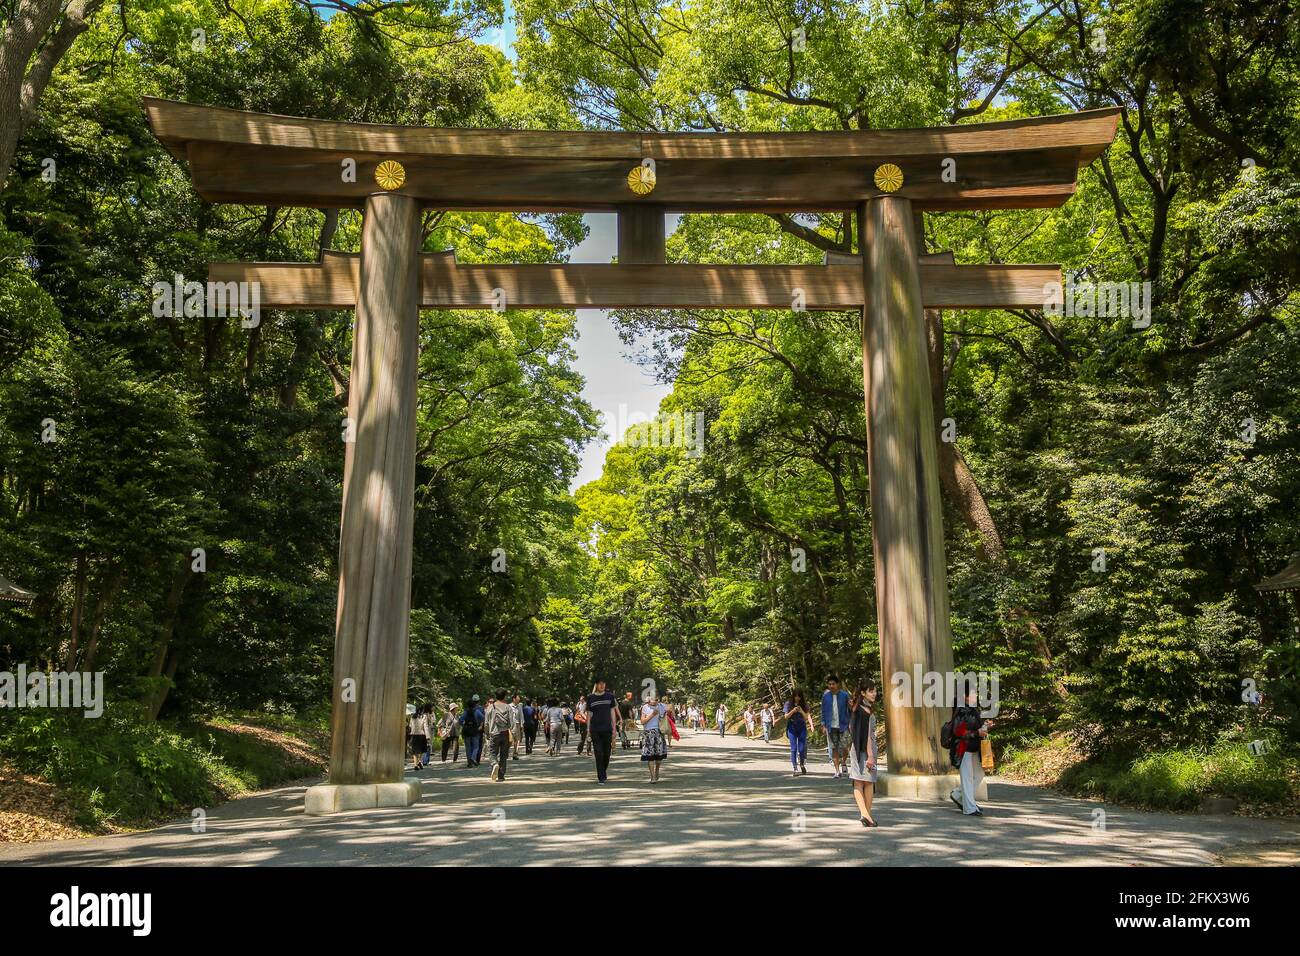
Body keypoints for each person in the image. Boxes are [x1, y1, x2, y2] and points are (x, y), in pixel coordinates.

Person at [949, 684, 991, 816]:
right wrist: (976, 733)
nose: (976, 696)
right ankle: (970, 807)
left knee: (979, 774)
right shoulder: (960, 710)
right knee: (967, 778)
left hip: (974, 747)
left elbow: (976, 727)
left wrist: (985, 726)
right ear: (965, 697)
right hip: (963, 748)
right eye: (973, 694)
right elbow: (958, 731)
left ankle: (957, 794)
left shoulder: (973, 709)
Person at [847, 681, 879, 827]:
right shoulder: (863, 710)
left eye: (875, 691)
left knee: (860, 781)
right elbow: (866, 735)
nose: (874, 693)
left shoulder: (857, 708)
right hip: (866, 749)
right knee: (867, 782)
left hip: (856, 748)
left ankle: (866, 815)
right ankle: (866, 814)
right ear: (863, 693)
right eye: (871, 691)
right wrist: (870, 755)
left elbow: (851, 728)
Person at [585, 679, 618, 783]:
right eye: (600, 684)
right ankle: (601, 777)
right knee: (598, 752)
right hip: (595, 729)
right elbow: (589, 715)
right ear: (596, 685)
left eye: (603, 683)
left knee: (607, 753)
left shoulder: (610, 696)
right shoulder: (590, 698)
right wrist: (588, 729)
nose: (602, 685)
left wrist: (614, 728)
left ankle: (603, 771)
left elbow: (612, 712)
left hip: (607, 729)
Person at [821, 675, 851, 778]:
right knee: (834, 748)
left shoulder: (844, 695)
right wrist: (823, 724)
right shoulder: (825, 696)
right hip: (831, 726)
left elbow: (850, 709)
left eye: (833, 684)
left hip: (843, 724)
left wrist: (851, 722)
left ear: (837, 684)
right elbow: (823, 711)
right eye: (829, 684)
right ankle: (837, 771)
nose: (831, 686)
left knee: (845, 747)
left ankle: (843, 762)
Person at [484, 689, 514, 781]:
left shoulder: (490, 707)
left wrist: (487, 733)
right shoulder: (508, 707)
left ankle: (494, 763)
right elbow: (511, 723)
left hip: (494, 733)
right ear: (504, 696)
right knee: (504, 755)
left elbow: (486, 723)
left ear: (495, 696)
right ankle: (501, 775)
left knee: (492, 752)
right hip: (505, 733)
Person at [639, 693, 668, 782]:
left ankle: (657, 771)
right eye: (652, 699)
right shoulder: (645, 707)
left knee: (659, 757)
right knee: (650, 756)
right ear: (648, 699)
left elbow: (667, 715)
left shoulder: (662, 706)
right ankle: (652, 777)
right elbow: (642, 722)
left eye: (656, 699)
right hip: (649, 732)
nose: (654, 701)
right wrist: (652, 714)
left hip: (659, 732)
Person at [784, 691, 810, 776]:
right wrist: (793, 711)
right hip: (792, 728)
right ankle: (795, 767)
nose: (797, 698)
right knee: (793, 748)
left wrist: (801, 710)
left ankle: (802, 764)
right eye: (795, 696)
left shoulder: (805, 704)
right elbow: (786, 716)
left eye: (799, 696)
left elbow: (806, 717)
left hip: (802, 727)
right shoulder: (788, 704)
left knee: (802, 749)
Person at [461, 694, 484, 767]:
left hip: (467, 731)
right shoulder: (477, 711)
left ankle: (469, 762)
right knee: (476, 746)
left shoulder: (465, 712)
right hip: (475, 730)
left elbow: (460, 720)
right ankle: (473, 758)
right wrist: (480, 725)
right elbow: (483, 717)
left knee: (468, 747)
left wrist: (464, 725)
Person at [408, 704, 429, 771]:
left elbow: (410, 726)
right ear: (423, 710)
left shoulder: (412, 716)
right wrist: (428, 736)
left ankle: (415, 765)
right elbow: (425, 727)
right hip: (421, 735)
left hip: (414, 735)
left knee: (415, 750)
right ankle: (419, 761)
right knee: (421, 750)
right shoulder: (424, 716)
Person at [509, 693, 524, 759]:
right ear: (514, 699)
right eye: (518, 698)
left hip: (517, 724)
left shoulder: (519, 706)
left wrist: (522, 725)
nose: (519, 699)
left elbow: (521, 716)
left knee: (517, 740)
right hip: (510, 725)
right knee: (509, 740)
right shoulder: (509, 706)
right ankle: (505, 752)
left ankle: (515, 753)